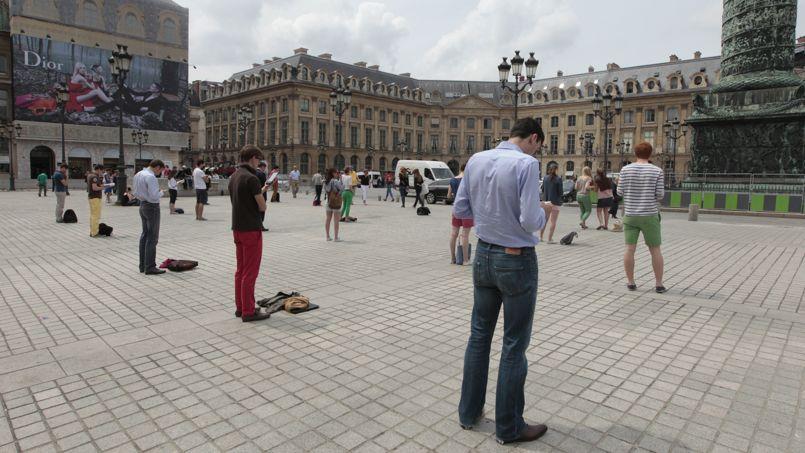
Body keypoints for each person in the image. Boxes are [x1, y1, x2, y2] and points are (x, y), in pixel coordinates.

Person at [453, 117, 548, 445]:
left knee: (479, 337)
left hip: (483, 254)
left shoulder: (476, 159)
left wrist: (489, 216)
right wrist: (544, 211)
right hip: (516, 260)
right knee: (514, 344)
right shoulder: (527, 164)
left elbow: (461, 207)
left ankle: (469, 413)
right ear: (533, 138)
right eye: (538, 146)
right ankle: (509, 427)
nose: (537, 151)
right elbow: (530, 220)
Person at [229, 145, 271, 322]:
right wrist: (261, 194)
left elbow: (243, 199)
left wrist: (260, 191)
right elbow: (262, 206)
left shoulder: (234, 176)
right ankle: (248, 311)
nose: (259, 163)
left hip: (237, 228)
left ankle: (240, 307)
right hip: (251, 229)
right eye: (258, 159)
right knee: (250, 272)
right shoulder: (251, 178)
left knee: (240, 270)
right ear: (253, 158)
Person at [617, 142, 666, 293]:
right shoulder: (657, 171)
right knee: (655, 250)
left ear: (635, 153)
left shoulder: (625, 170)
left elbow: (619, 192)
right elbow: (660, 195)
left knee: (629, 249)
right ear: (650, 154)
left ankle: (631, 282)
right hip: (649, 215)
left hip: (631, 214)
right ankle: (658, 284)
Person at [133, 159, 166, 275]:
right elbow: (154, 196)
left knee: (145, 235)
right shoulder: (151, 177)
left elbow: (135, 192)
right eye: (160, 171)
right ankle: (150, 266)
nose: (160, 173)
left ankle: (143, 265)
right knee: (152, 237)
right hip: (152, 207)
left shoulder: (139, 174)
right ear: (157, 167)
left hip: (142, 204)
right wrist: (161, 192)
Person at [448, 164, 473, 264]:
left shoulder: (452, 180)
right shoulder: (468, 180)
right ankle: (465, 260)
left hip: (456, 209)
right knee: (465, 235)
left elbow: (448, 195)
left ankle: (453, 258)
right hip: (467, 210)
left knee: (454, 234)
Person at [540, 164, 563, 243]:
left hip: (546, 202)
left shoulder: (545, 178)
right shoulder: (558, 179)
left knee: (544, 220)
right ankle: (549, 239)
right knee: (553, 222)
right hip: (555, 202)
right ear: (556, 169)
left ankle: (541, 237)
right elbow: (560, 192)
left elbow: (543, 189)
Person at [323, 168, 344, 242]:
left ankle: (327, 236)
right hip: (335, 201)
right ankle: (336, 237)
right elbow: (342, 188)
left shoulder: (326, 181)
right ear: (333, 173)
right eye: (337, 173)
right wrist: (341, 180)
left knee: (328, 219)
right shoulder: (335, 181)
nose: (338, 174)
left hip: (328, 201)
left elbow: (326, 191)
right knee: (336, 220)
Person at [86, 165, 105, 237]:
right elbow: (95, 188)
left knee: (93, 215)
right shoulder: (94, 177)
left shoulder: (90, 175)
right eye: (102, 171)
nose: (102, 172)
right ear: (99, 169)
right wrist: (103, 187)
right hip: (95, 197)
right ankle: (94, 232)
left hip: (92, 197)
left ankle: (92, 231)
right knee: (96, 215)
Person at [256, 162, 269, 231]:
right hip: (262, 194)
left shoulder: (254, 172)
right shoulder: (262, 174)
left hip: (255, 194)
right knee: (262, 210)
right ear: (262, 167)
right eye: (265, 167)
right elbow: (265, 184)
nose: (265, 169)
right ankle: (261, 225)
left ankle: (256, 224)